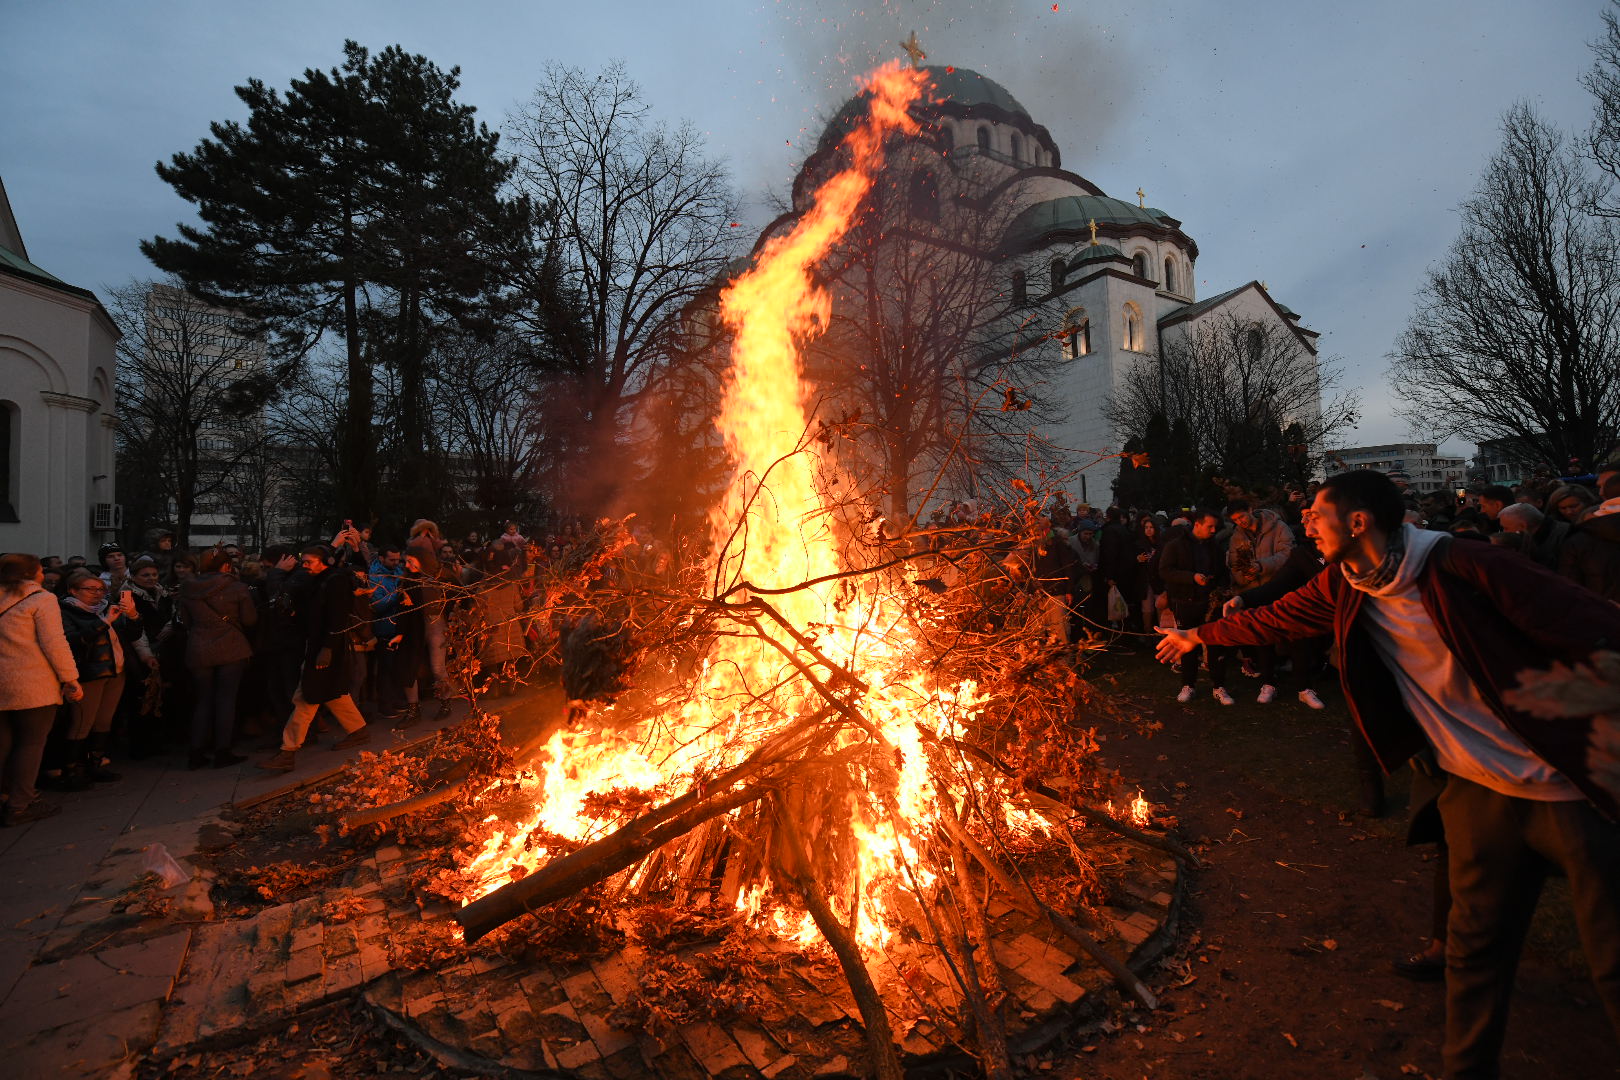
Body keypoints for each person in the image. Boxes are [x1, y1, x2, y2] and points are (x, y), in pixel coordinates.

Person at [1155, 469, 1620, 1079]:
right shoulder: (1346, 582)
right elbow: (1276, 618)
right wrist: (1197, 636)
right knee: (1473, 955)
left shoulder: (1469, 567)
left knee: (1613, 960)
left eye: (1316, 515)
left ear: (1358, 522)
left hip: (1571, 791)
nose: (1305, 525)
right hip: (1478, 793)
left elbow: (1595, 627)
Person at [258, 545, 370, 772]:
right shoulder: (318, 581)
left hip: (327, 648)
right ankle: (358, 730)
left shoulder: (336, 581)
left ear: (325, 562)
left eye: (309, 561)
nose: (305, 565)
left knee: (306, 697)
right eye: (304, 561)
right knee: (333, 692)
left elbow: (337, 618)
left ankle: (288, 751)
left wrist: (327, 648)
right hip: (319, 646)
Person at [0, 554, 81, 825]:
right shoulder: (41, 599)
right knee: (31, 744)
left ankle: (5, 794)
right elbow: (54, 642)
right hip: (31, 683)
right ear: (32, 573)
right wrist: (70, 677)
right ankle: (21, 804)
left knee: (3, 743)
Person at [58, 570, 154, 785]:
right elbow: (72, 640)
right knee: (82, 721)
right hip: (89, 673)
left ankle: (97, 763)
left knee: (104, 720)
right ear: (73, 590)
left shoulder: (107, 608)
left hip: (115, 670)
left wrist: (132, 616)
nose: (97, 593)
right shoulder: (66, 611)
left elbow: (132, 635)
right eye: (90, 589)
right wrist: (104, 623)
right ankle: (72, 770)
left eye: (101, 589)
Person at [176, 549, 257, 769]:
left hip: (199, 647)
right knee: (226, 700)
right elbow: (249, 620)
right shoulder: (237, 587)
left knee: (202, 700)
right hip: (232, 647)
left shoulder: (188, 587)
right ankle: (223, 751)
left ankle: (196, 753)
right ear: (226, 566)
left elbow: (185, 621)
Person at [1156, 509, 1233, 704]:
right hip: (1185, 601)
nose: (1214, 530)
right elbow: (1165, 571)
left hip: (1211, 602)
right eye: (1210, 526)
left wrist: (1222, 589)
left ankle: (1219, 685)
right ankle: (1188, 684)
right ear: (1197, 524)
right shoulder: (1176, 545)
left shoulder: (1214, 547)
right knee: (1187, 646)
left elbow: (1222, 571)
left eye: (1215, 527)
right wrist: (1191, 578)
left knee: (1216, 644)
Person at [1225, 499, 1294, 703]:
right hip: (1252, 591)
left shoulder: (1278, 527)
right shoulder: (1237, 536)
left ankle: (1282, 667)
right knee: (1260, 635)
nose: (1241, 522)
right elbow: (1234, 563)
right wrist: (1242, 577)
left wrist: (1262, 566)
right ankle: (1267, 678)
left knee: (1279, 632)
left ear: (1250, 509)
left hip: (1275, 589)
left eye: (1242, 517)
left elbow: (1287, 554)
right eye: (1235, 520)